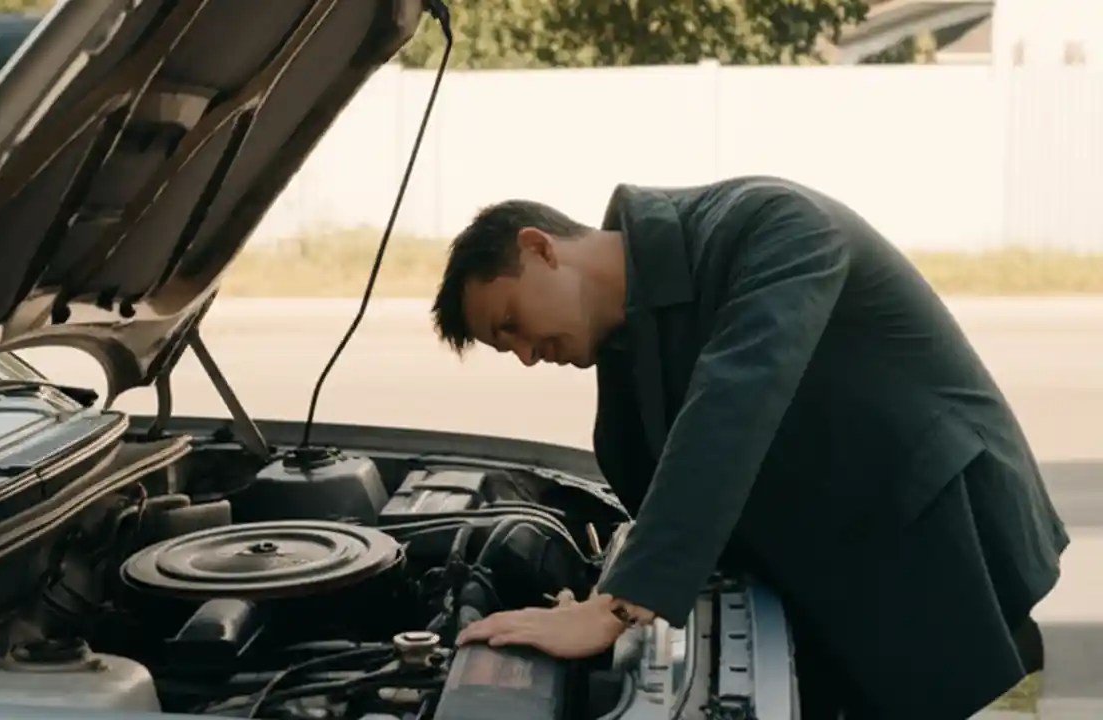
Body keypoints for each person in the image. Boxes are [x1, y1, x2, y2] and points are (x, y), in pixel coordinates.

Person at [429, 176, 1070, 719]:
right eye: (506, 348)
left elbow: (736, 397)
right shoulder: (629, 340)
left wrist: (614, 609)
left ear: (540, 249)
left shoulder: (774, 226)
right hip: (837, 564)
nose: (526, 356)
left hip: (941, 546)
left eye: (511, 323)